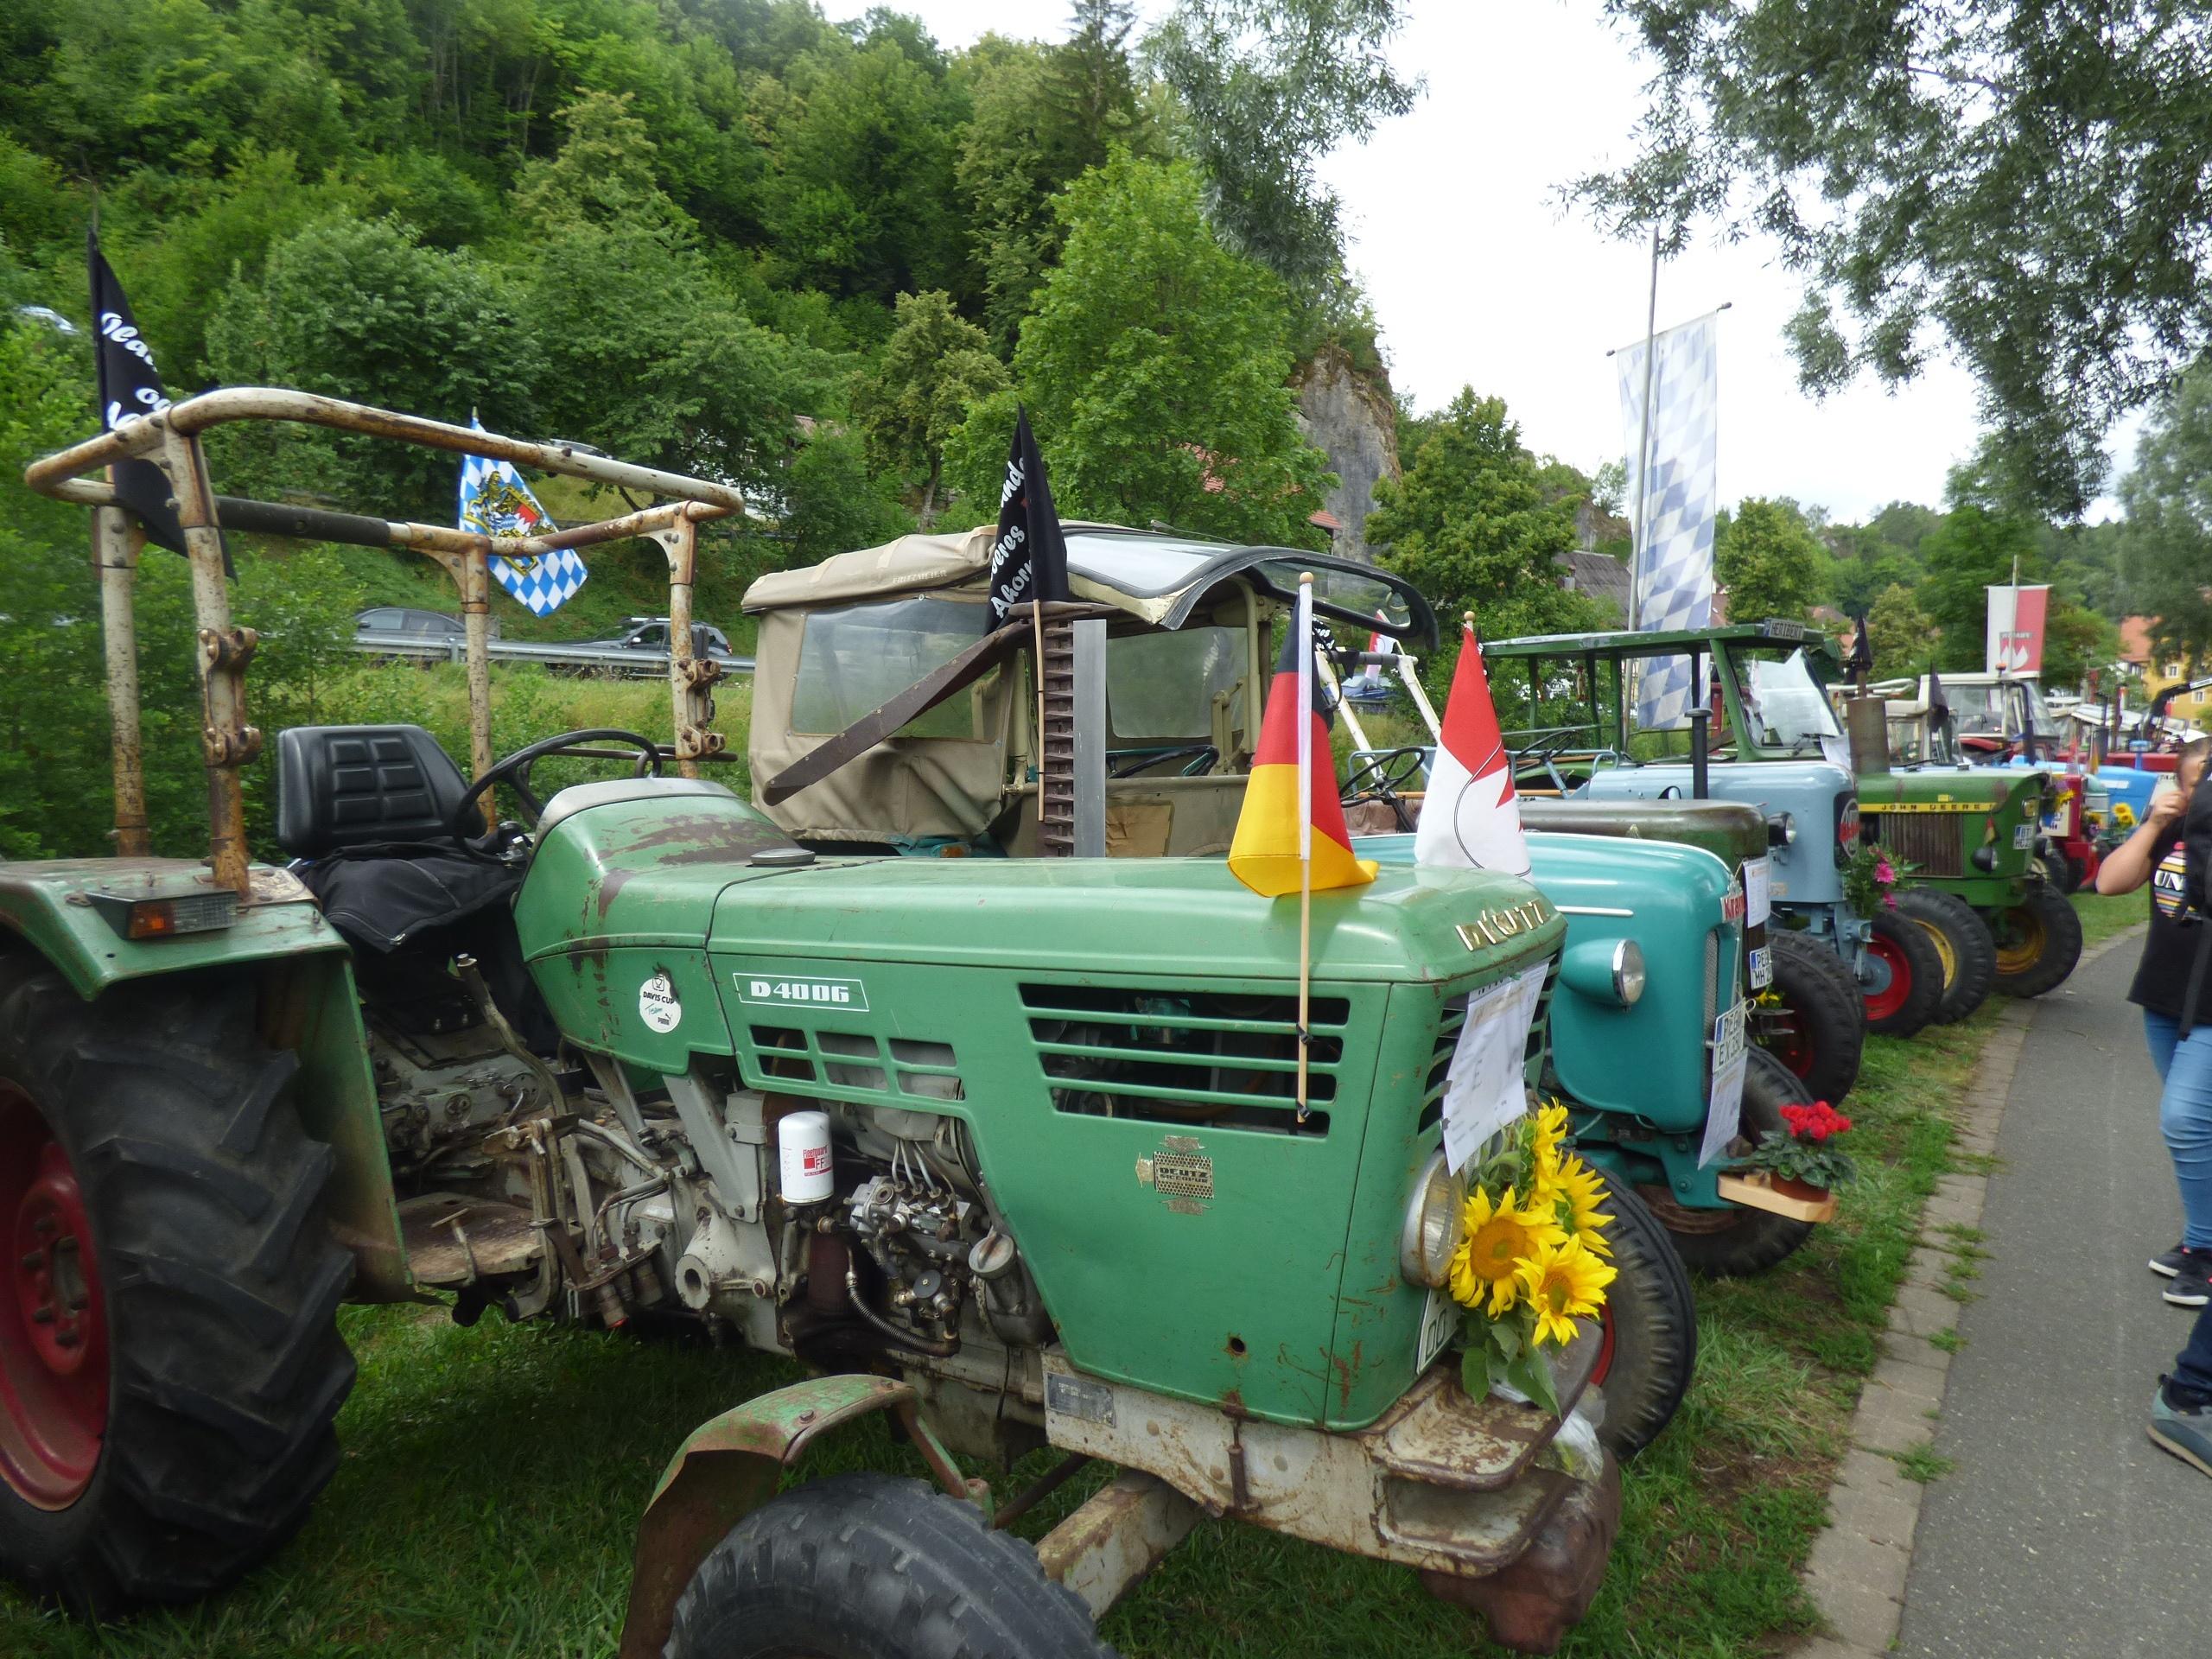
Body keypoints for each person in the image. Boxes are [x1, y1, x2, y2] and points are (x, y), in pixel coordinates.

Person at [2095, 735, 2212, 1306]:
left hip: (2210, 1007)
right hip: (2165, 999)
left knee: (2185, 1121)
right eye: (2193, 785)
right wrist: (2153, 823)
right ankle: (2199, 1239)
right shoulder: (2175, 830)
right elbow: (2108, 883)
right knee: (2199, 1129)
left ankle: (2206, 1250)